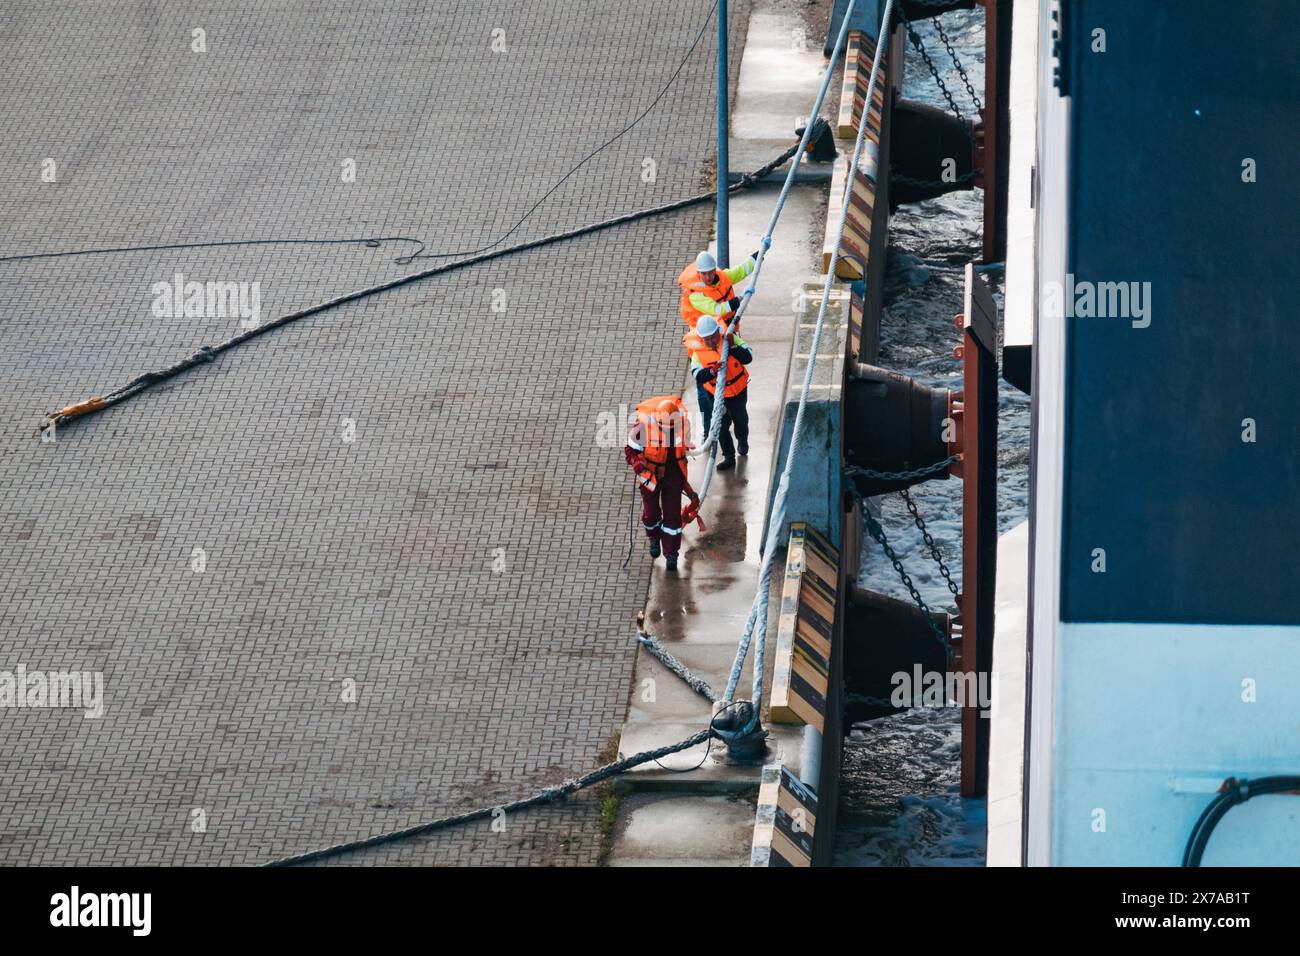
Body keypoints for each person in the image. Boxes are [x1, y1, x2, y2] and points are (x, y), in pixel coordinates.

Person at [625, 395, 696, 571]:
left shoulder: (682, 425)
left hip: (673, 475)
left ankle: (672, 554)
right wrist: (636, 464)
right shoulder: (643, 427)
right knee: (651, 514)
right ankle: (654, 538)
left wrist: (686, 485)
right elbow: (630, 450)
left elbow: (683, 449)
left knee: (673, 517)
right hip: (649, 474)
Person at [682, 313, 752, 471]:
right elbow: (697, 374)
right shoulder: (698, 352)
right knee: (721, 425)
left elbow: (748, 357)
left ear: (717, 332)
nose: (711, 341)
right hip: (716, 394)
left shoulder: (730, 338)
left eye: (713, 337)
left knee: (741, 420)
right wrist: (712, 372)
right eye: (707, 339)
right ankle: (728, 456)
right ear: (701, 338)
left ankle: (742, 440)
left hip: (738, 390)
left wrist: (733, 347)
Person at [677, 249, 760, 328]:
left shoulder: (723, 277)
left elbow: (741, 271)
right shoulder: (695, 295)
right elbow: (716, 310)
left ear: (715, 270)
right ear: (698, 273)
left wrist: (756, 257)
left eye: (710, 272)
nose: (708, 277)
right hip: (707, 336)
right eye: (704, 273)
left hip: (725, 327)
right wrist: (740, 298)